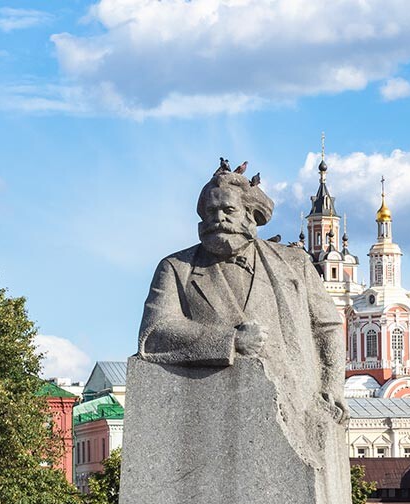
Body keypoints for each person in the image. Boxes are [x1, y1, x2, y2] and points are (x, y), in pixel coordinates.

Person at [138, 157, 349, 429]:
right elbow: (154, 333)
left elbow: (327, 327)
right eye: (210, 212)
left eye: (228, 210)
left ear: (249, 215)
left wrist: (332, 385)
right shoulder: (177, 268)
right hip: (212, 416)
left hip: (297, 407)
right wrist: (230, 340)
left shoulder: (295, 264)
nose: (218, 218)